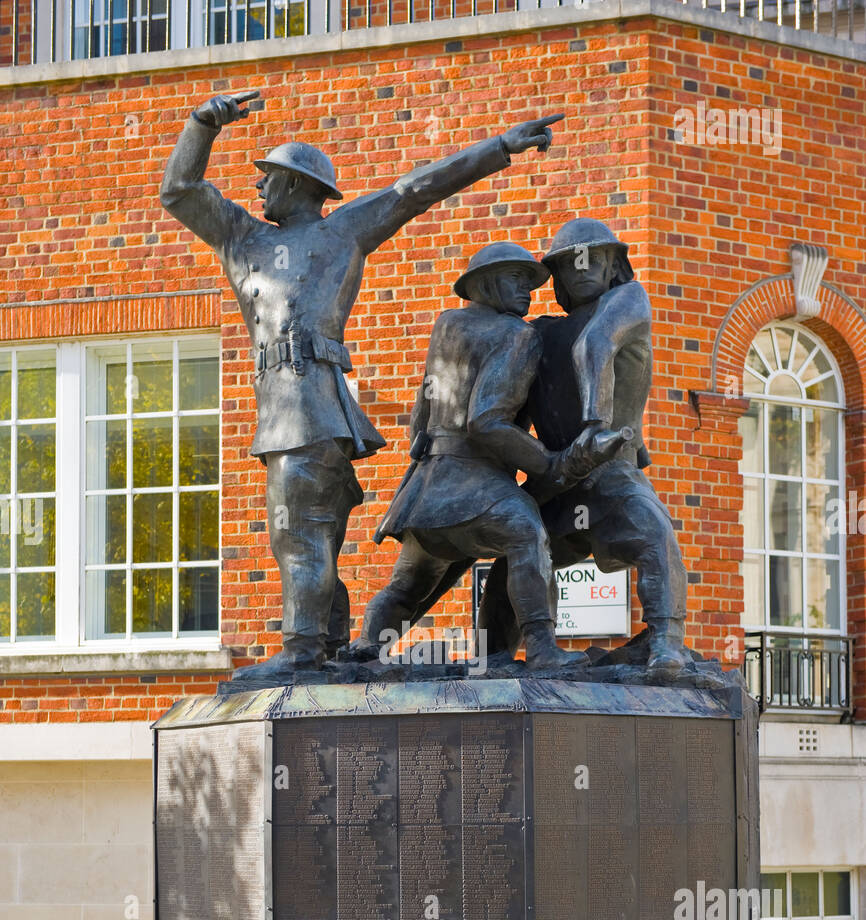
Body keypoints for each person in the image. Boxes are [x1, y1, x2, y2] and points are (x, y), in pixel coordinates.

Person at [160, 90, 564, 678]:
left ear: (298, 186)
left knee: (298, 538)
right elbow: (180, 191)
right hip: (300, 416)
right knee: (308, 540)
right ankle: (325, 646)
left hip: (304, 413)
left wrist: (498, 148)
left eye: (267, 177)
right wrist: (202, 124)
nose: (257, 188)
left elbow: (416, 189)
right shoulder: (241, 236)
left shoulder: (340, 232)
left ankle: (302, 654)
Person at [346, 243, 596, 671]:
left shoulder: (447, 325)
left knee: (407, 588)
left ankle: (366, 647)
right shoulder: (517, 335)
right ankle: (541, 646)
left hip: (427, 487)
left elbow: (418, 424)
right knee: (526, 535)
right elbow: (488, 420)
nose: (528, 290)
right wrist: (549, 463)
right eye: (516, 279)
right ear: (485, 283)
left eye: (529, 281)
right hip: (478, 485)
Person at [478, 217, 689, 680]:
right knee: (517, 560)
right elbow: (507, 409)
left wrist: (595, 425)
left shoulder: (627, 299)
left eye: (595, 257)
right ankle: (492, 656)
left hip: (608, 465)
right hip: (558, 476)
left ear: (615, 263)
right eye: (570, 264)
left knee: (653, 533)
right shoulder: (542, 332)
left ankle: (667, 642)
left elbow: (596, 344)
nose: (582, 267)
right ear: (556, 278)